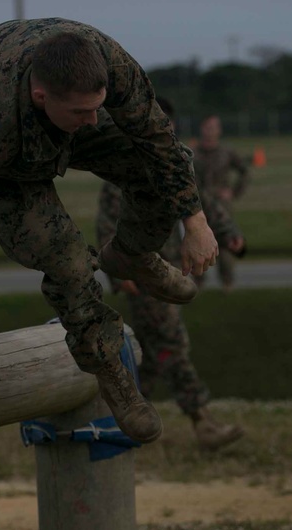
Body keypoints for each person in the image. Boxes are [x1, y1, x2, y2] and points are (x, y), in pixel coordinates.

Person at [0, 19, 219, 445]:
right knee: (66, 258)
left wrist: (194, 219)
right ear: (40, 96)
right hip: (5, 159)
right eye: (81, 113)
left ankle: (131, 254)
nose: (92, 121)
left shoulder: (107, 64)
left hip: (49, 105)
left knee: (155, 166)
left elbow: (158, 138)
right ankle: (109, 371)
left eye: (97, 107)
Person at [96, 97, 246, 451]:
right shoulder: (123, 168)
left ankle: (119, 424)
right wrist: (119, 275)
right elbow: (106, 226)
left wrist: (228, 234)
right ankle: (202, 422)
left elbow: (202, 203)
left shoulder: (175, 164)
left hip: (169, 271)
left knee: (148, 354)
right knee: (171, 345)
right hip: (143, 273)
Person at [192, 114, 251, 291]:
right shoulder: (193, 153)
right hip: (199, 206)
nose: (210, 131)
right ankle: (198, 283)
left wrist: (233, 192)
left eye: (213, 127)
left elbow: (245, 172)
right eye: (206, 127)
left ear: (219, 130)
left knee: (225, 243)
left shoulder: (227, 152)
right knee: (197, 241)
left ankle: (227, 282)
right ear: (201, 129)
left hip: (221, 205)